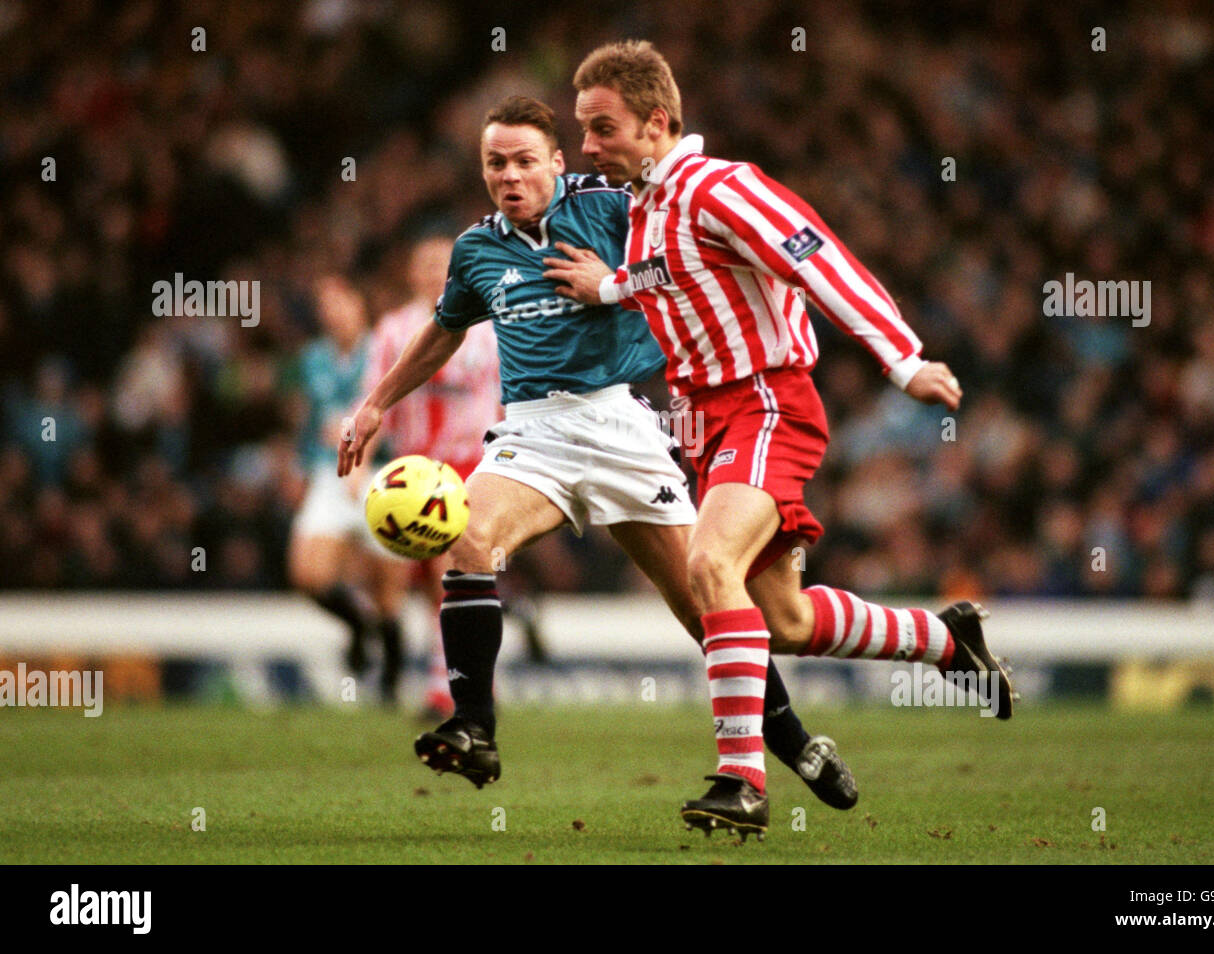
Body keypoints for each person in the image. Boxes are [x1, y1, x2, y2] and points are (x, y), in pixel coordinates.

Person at [543, 40, 1014, 838]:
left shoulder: (719, 186)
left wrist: (904, 359)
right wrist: (610, 286)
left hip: (766, 403)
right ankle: (947, 641)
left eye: (602, 128)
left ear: (656, 123)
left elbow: (816, 258)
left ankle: (742, 782)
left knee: (707, 563)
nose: (587, 146)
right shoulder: (648, 209)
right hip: (707, 424)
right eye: (584, 129)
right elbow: (672, 276)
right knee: (784, 621)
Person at [338, 96, 859, 811]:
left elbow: (686, 258)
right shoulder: (476, 249)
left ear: (557, 162)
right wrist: (375, 405)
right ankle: (475, 727)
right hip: (531, 434)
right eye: (496, 163)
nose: (510, 176)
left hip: (620, 425)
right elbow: (445, 328)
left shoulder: (616, 208)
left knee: (703, 603)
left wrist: (616, 286)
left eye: (525, 161)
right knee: (465, 540)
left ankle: (793, 738)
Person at [365, 236, 502, 720]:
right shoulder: (392, 330)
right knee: (429, 587)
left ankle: (449, 692)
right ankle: (459, 678)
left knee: (454, 569)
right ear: (410, 272)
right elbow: (373, 397)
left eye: (442, 264)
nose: (432, 272)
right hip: (411, 470)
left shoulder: (489, 326)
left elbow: (504, 395)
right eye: (423, 263)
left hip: (470, 462)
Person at [290, 274, 407, 702]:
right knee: (307, 573)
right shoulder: (314, 358)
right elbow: (309, 417)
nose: (332, 313)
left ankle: (391, 683)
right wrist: (301, 468)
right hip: (330, 472)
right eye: (325, 305)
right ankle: (359, 622)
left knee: (388, 591)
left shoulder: (384, 348)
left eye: (341, 302)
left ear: (361, 305)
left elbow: (393, 406)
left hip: (380, 471)